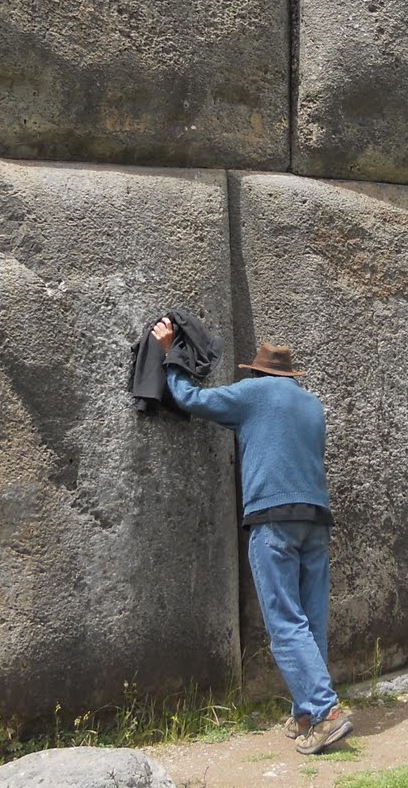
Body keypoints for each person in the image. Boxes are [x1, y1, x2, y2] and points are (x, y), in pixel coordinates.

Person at [150, 317, 351, 754]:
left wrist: (170, 356)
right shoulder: (311, 403)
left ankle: (325, 711)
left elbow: (190, 398)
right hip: (315, 518)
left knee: (284, 623)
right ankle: (305, 713)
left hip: (273, 518)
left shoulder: (253, 394)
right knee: (309, 621)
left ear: (257, 373)